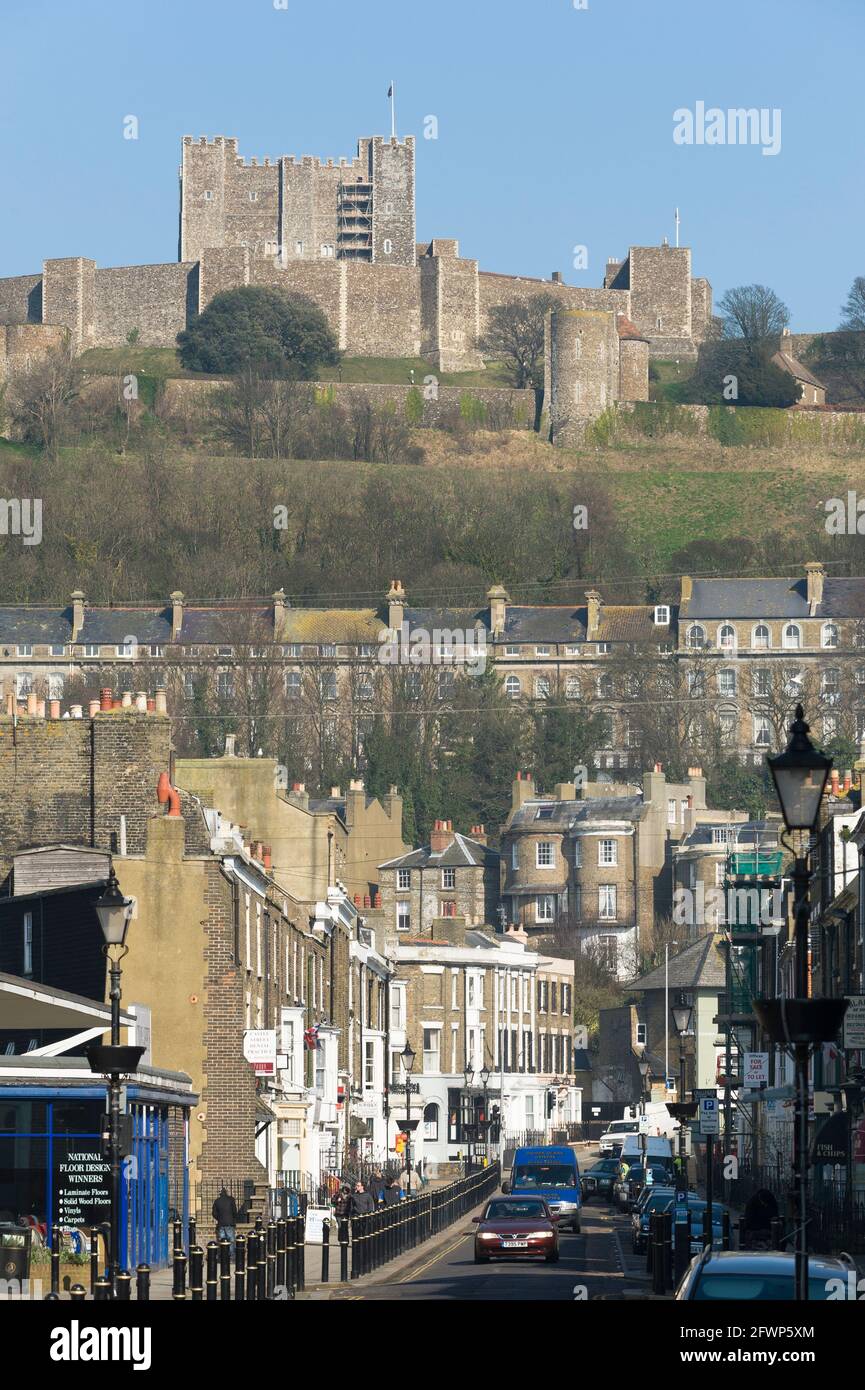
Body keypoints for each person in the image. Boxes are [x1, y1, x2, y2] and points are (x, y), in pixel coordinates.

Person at [212, 1186, 238, 1251]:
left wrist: (219, 1218)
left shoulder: (217, 1201)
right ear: (226, 1192)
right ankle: (231, 1257)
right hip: (230, 1223)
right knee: (231, 1241)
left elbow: (214, 1213)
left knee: (222, 1241)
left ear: (220, 1194)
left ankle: (223, 1256)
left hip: (221, 1223)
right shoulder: (231, 1199)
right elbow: (235, 1211)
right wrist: (233, 1218)